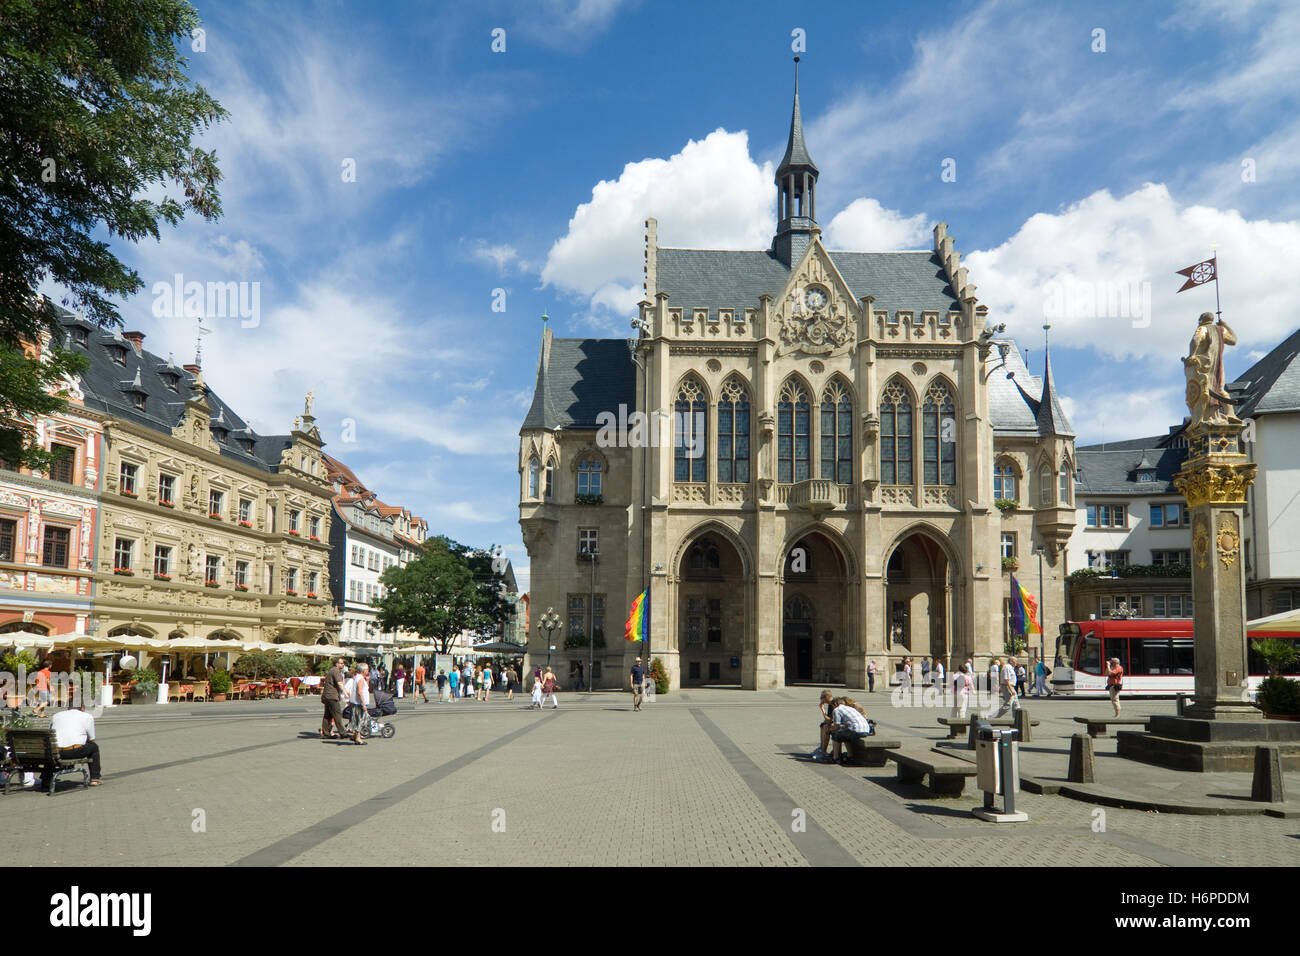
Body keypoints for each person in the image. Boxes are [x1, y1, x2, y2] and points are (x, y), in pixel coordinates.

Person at [47, 699, 102, 789]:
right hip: (74, 751)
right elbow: (92, 738)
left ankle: (46, 779)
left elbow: (50, 732)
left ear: (68, 707)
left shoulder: (56, 715)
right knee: (93, 747)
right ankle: (95, 778)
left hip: (55, 751)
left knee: (55, 744)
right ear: (82, 708)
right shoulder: (86, 716)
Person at [828, 696, 873, 765]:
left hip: (856, 730)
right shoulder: (850, 708)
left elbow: (836, 726)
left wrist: (829, 729)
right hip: (866, 730)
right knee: (845, 735)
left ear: (835, 704)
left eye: (832, 706)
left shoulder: (837, 710)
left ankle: (835, 758)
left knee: (835, 735)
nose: (832, 708)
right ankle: (850, 756)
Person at [321, 658, 350, 740]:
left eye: (343, 663)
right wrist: (345, 693)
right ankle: (342, 733)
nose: (342, 665)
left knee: (328, 715)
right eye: (341, 663)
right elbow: (339, 683)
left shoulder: (332, 670)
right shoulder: (336, 671)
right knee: (337, 714)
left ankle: (326, 733)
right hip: (332, 696)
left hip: (327, 696)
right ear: (336, 664)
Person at [810, 689, 835, 762]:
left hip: (842, 725)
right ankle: (821, 748)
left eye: (821, 698)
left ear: (826, 697)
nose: (821, 700)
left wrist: (822, 709)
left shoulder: (833, 704)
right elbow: (830, 719)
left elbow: (829, 720)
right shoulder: (831, 703)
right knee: (823, 725)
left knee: (826, 727)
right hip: (838, 723)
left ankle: (823, 751)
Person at [349, 663, 370, 744]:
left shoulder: (357, 677)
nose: (368, 670)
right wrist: (363, 703)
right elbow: (360, 692)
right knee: (360, 720)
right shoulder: (360, 679)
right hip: (359, 703)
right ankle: (358, 738)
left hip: (354, 702)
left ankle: (355, 736)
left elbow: (365, 688)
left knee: (356, 719)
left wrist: (367, 680)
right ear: (363, 670)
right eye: (367, 669)